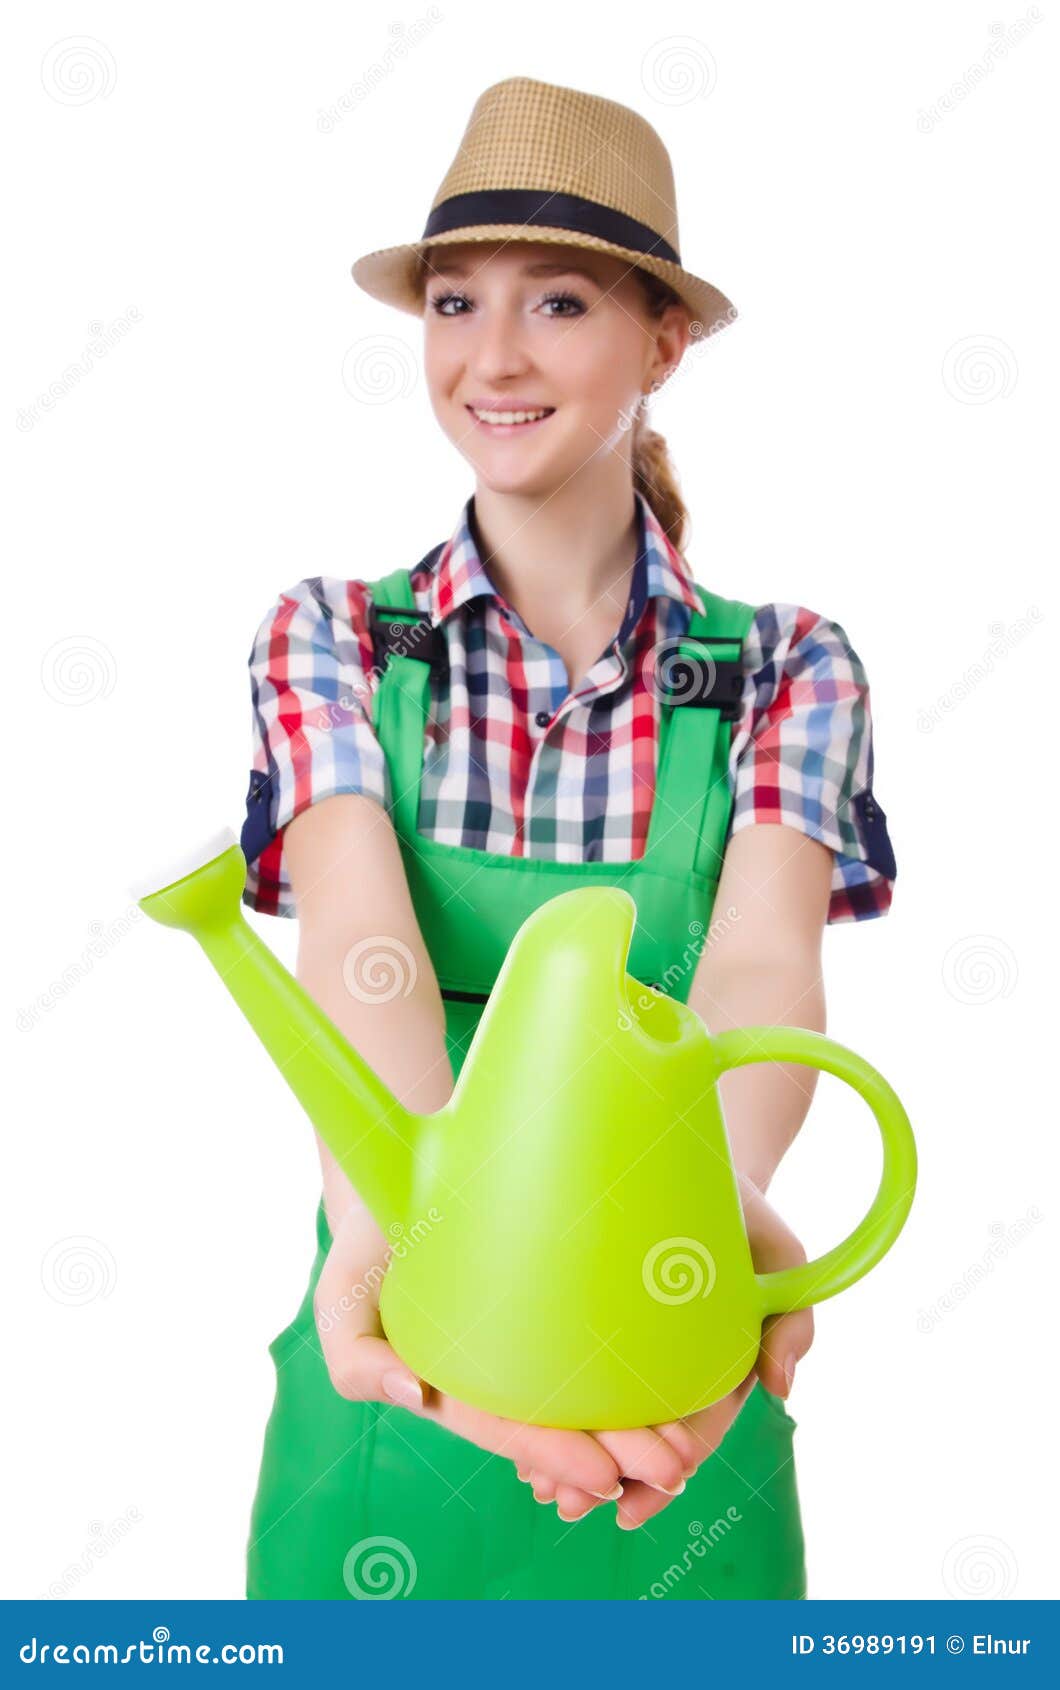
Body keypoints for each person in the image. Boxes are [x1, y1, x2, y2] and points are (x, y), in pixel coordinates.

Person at [238, 75, 897, 1600]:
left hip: (672, 1407)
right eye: (455, 302)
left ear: (665, 341)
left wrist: (665, 1278)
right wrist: (458, 1287)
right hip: (393, 1350)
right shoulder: (331, 639)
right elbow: (362, 947)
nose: (491, 356)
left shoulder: (790, 668)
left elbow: (756, 981)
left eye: (559, 303)